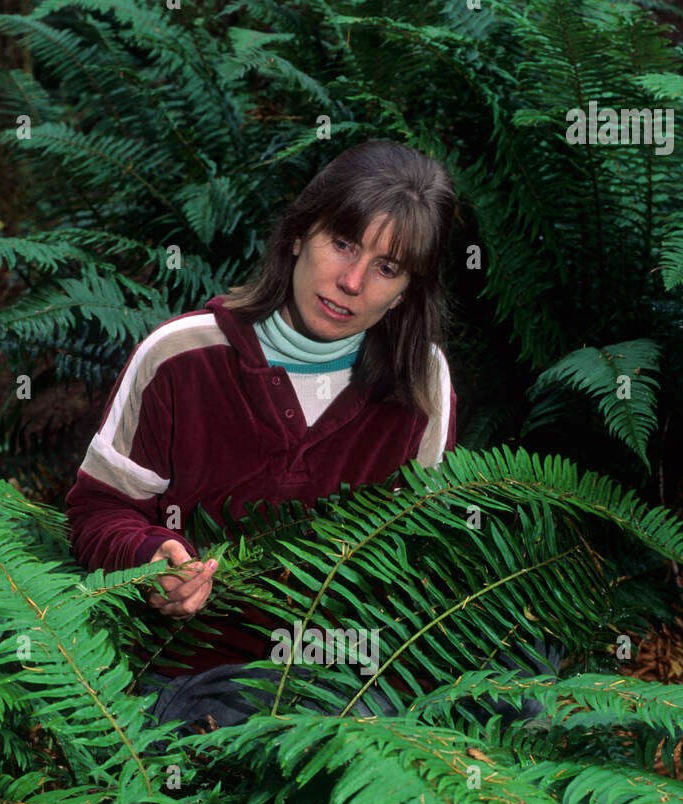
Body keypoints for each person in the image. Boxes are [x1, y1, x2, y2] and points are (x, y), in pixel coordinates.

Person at [66, 140, 458, 732]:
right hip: (191, 672)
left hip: (351, 679)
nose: (351, 282)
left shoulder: (422, 384)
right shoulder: (181, 357)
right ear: (300, 234)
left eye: (387, 267)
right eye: (343, 243)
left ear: (408, 289)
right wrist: (152, 557)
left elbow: (420, 559)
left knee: (528, 675)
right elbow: (98, 512)